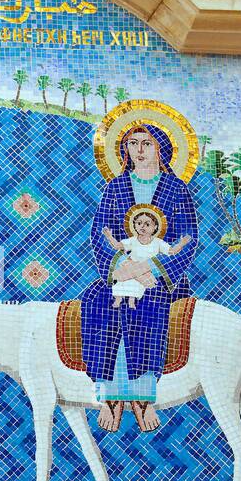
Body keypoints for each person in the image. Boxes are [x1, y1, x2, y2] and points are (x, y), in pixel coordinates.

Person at [80, 124, 198, 434]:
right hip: (121, 272)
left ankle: (143, 397)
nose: (140, 150)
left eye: (147, 143)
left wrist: (154, 269)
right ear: (125, 149)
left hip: (160, 277)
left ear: (162, 148)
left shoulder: (176, 189)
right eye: (133, 143)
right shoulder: (116, 187)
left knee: (148, 306)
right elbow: (101, 233)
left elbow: (187, 237)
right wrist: (120, 266)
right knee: (97, 301)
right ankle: (109, 396)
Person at [102, 205, 191, 309]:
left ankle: (132, 300)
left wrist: (181, 244)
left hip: (145, 269)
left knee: (136, 280)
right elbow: (117, 246)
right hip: (131, 265)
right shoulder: (132, 240)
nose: (142, 227)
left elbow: (171, 251)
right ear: (134, 225)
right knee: (123, 279)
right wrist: (109, 236)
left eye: (147, 224)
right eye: (139, 223)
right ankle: (118, 298)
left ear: (155, 227)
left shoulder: (158, 242)